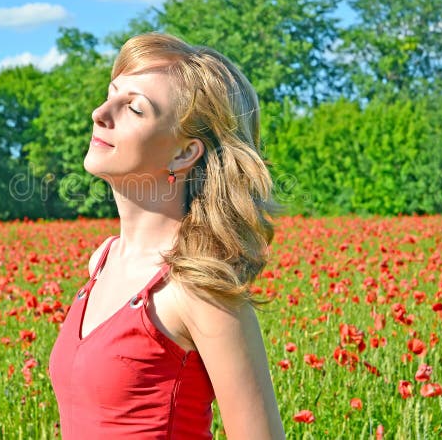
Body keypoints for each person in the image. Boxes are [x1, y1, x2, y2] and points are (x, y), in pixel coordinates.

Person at [49, 32, 285, 439]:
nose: (100, 113)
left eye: (134, 109)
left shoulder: (196, 286)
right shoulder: (104, 260)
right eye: (111, 93)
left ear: (183, 153)